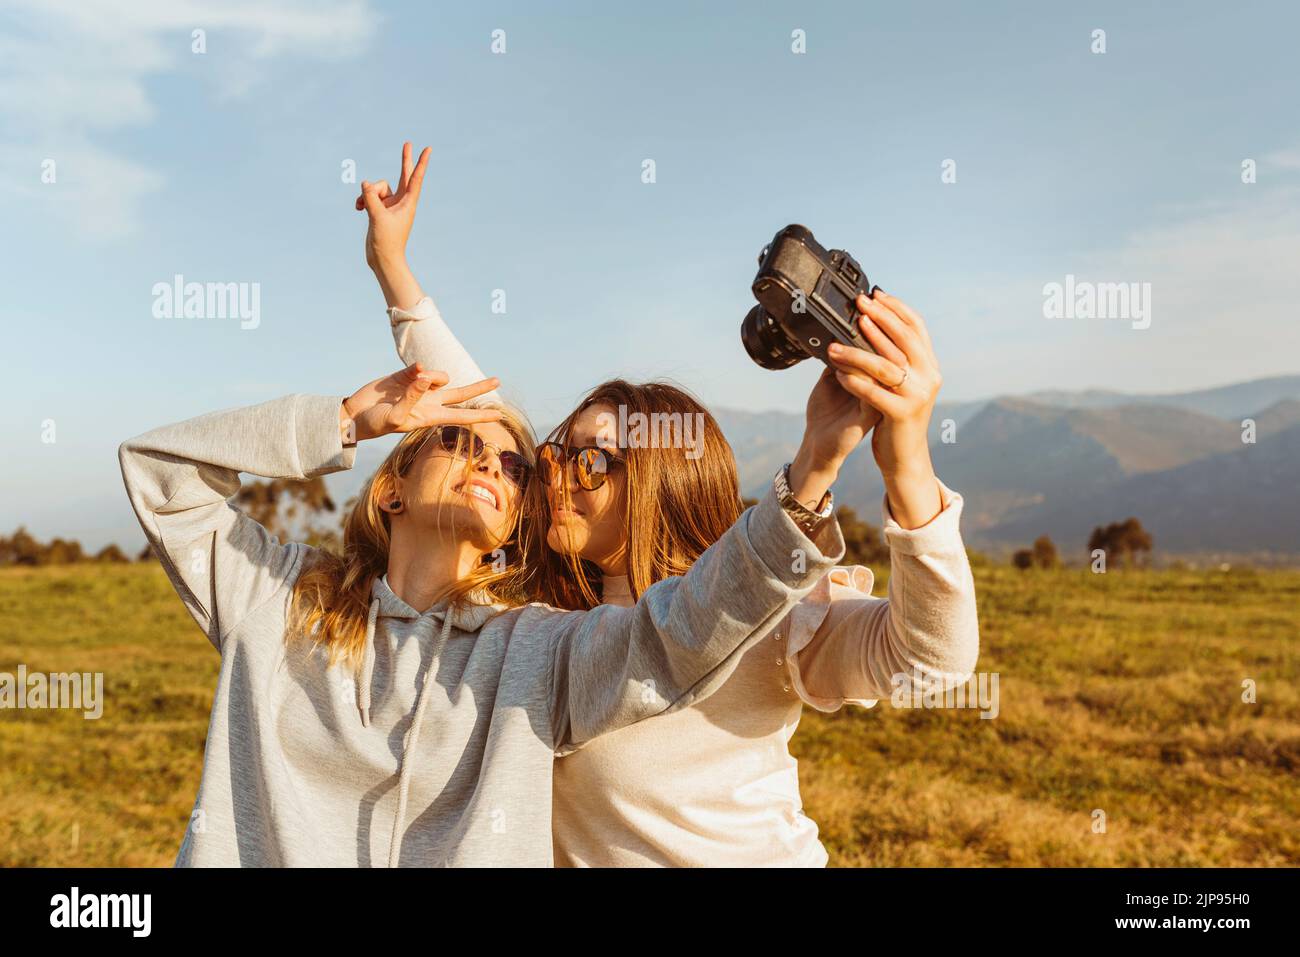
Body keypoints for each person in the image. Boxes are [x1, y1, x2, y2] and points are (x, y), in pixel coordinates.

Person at [355, 143, 980, 866]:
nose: (553, 474)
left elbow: (934, 661)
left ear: (659, 483)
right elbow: (474, 405)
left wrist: (905, 458)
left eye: (590, 461)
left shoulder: (766, 615)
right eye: (558, 452)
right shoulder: (543, 620)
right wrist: (393, 268)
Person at [119, 355, 854, 866]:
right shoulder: (276, 594)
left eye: (511, 465)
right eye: (455, 439)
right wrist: (345, 419)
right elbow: (159, 473)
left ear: (515, 517)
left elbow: (676, 632)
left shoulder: (536, 650)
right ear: (391, 486)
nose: (487, 464)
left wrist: (809, 476)